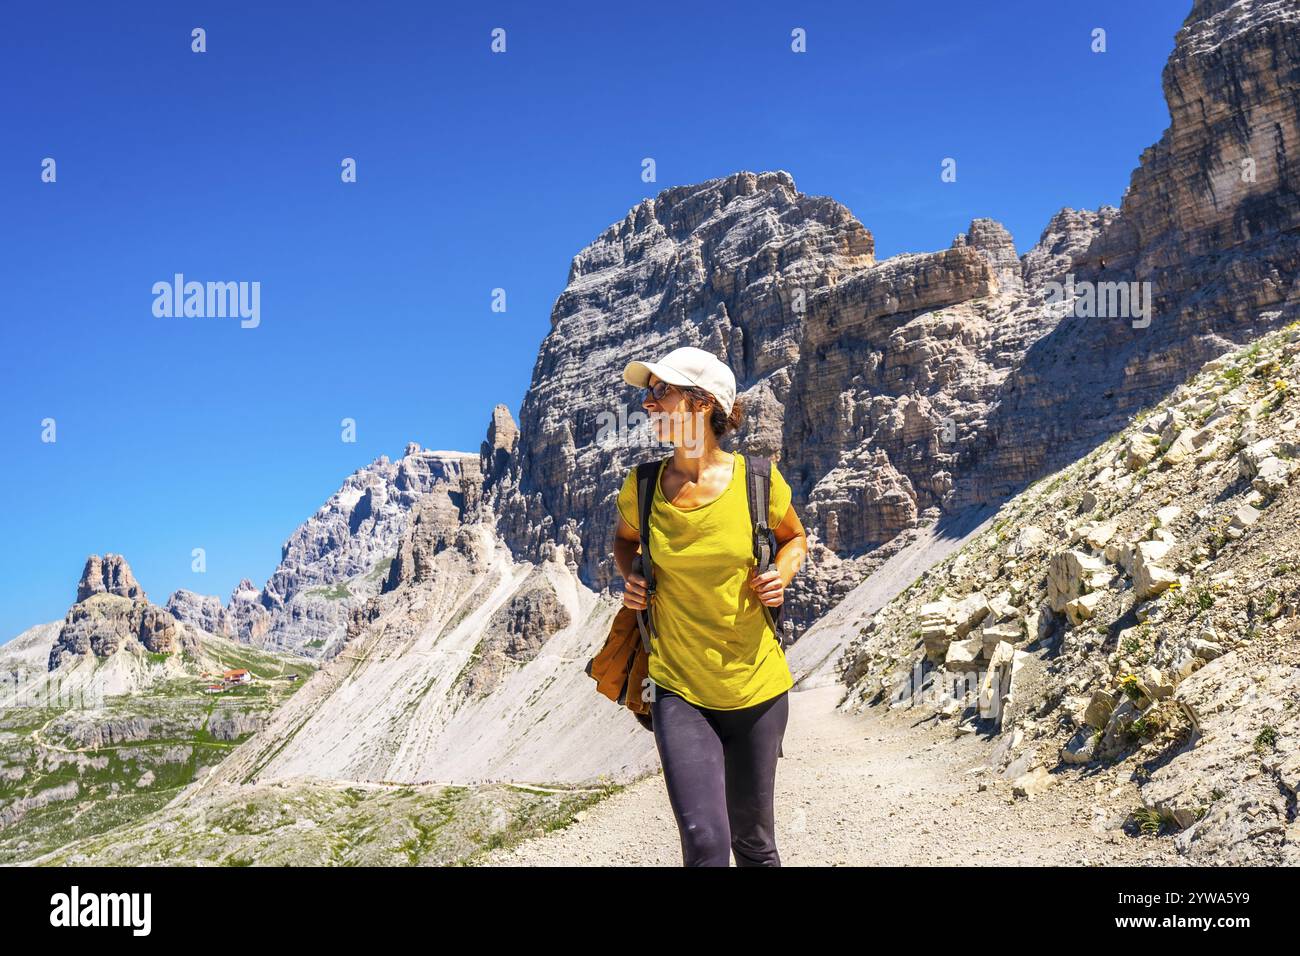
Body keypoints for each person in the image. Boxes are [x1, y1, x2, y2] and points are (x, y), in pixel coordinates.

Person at [612, 345, 808, 866]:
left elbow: (794, 540)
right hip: (677, 687)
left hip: (756, 686)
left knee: (754, 843)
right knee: (703, 842)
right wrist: (631, 575)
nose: (648, 403)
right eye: (647, 393)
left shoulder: (758, 481)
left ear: (701, 403)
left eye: (661, 391)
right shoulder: (645, 484)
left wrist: (779, 574)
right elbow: (625, 540)